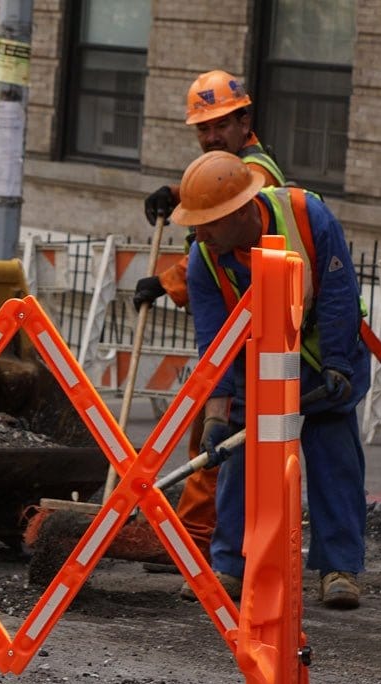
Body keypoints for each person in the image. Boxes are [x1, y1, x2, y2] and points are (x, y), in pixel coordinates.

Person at [171, 150, 370, 610]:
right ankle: (231, 566)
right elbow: (214, 343)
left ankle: (338, 568)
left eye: (210, 223)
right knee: (239, 466)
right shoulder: (206, 257)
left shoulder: (306, 216)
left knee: (333, 460)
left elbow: (341, 294)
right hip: (259, 372)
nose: (200, 234)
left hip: (322, 365)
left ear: (242, 211)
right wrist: (216, 415)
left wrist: (338, 364)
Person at [125, 70, 286, 568]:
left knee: (224, 431)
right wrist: (177, 193)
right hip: (238, 324)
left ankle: (196, 538)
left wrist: (167, 283)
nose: (211, 136)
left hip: (259, 330)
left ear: (245, 121)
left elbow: (220, 248)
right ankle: (198, 535)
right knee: (212, 424)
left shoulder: (261, 175)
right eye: (203, 127)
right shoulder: (231, 166)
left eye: (220, 124)